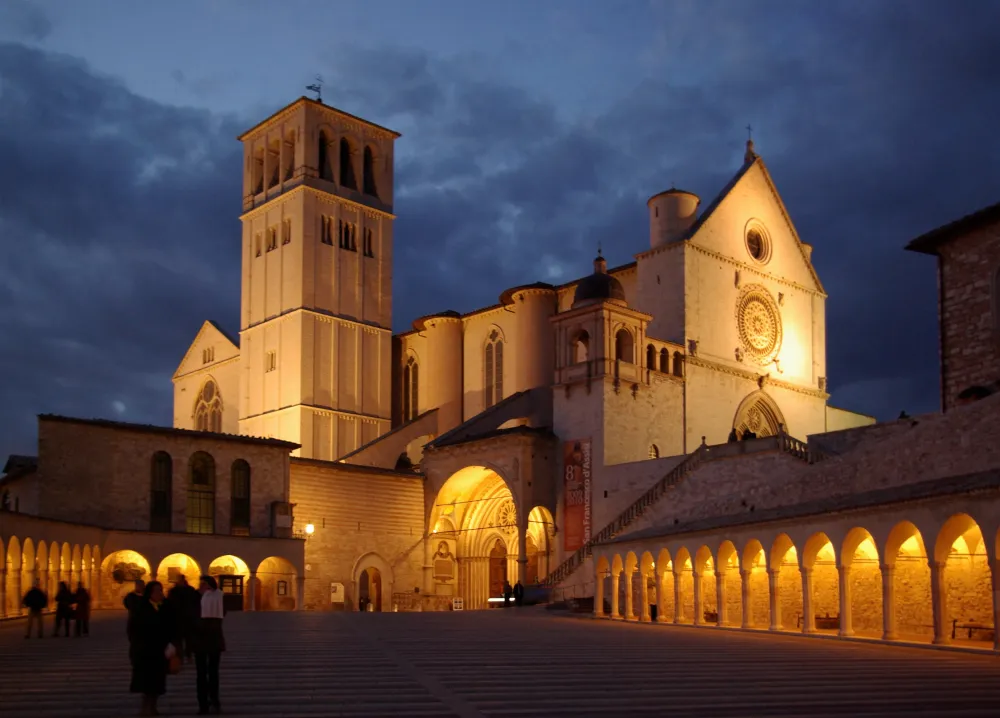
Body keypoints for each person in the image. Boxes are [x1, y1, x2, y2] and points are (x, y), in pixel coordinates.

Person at [129, 581, 176, 717]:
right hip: (145, 651)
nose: (159, 593)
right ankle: (146, 707)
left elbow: (173, 626)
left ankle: (153, 706)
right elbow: (133, 629)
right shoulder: (142, 608)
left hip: (160, 651)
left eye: (160, 590)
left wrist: (172, 643)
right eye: (156, 591)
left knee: (157, 681)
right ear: (150, 593)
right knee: (146, 681)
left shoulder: (166, 607)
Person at [193, 575, 226, 715]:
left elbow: (223, 612)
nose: (203, 587)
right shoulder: (195, 598)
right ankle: (203, 704)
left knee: (213, 672)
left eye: (205, 584)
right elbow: (191, 617)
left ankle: (214, 700)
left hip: (213, 639)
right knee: (201, 674)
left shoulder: (218, 596)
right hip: (200, 640)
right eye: (201, 584)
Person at [167, 575, 199, 661]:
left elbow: (196, 604)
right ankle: (180, 657)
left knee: (188, 639)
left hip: (188, 619)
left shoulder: (189, 590)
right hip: (178, 619)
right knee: (178, 640)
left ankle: (188, 655)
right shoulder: (174, 591)